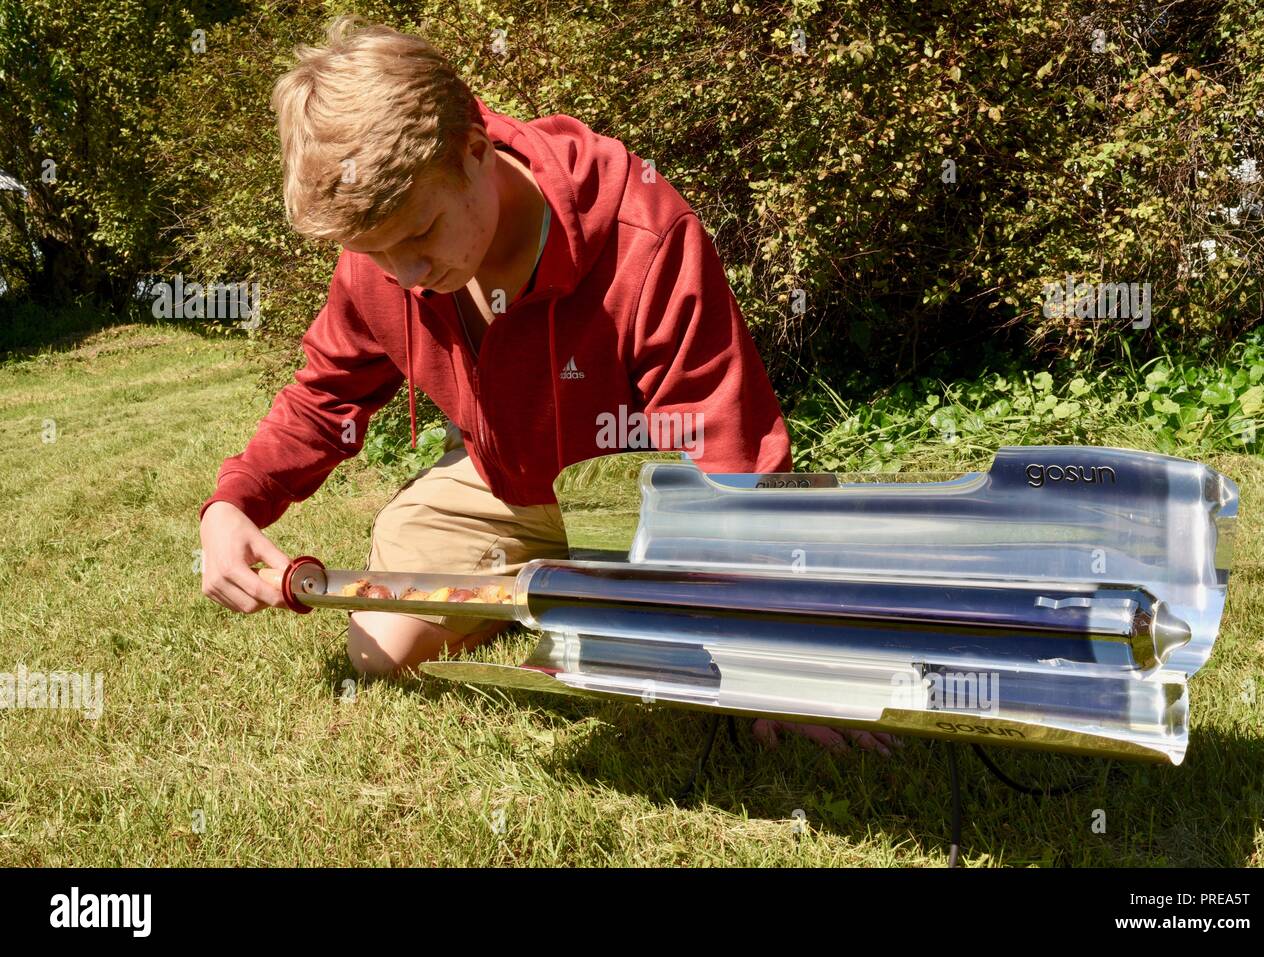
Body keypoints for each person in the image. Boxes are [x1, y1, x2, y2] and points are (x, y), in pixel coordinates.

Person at [198, 17, 897, 758]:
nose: (402, 275)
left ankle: (611, 597)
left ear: (474, 151)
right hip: (503, 483)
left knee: (679, 657)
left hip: (642, 502)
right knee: (380, 649)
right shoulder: (384, 255)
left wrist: (776, 649)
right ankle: (534, 594)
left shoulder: (644, 234)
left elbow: (725, 448)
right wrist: (234, 501)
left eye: (419, 235)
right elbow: (323, 396)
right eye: (374, 253)